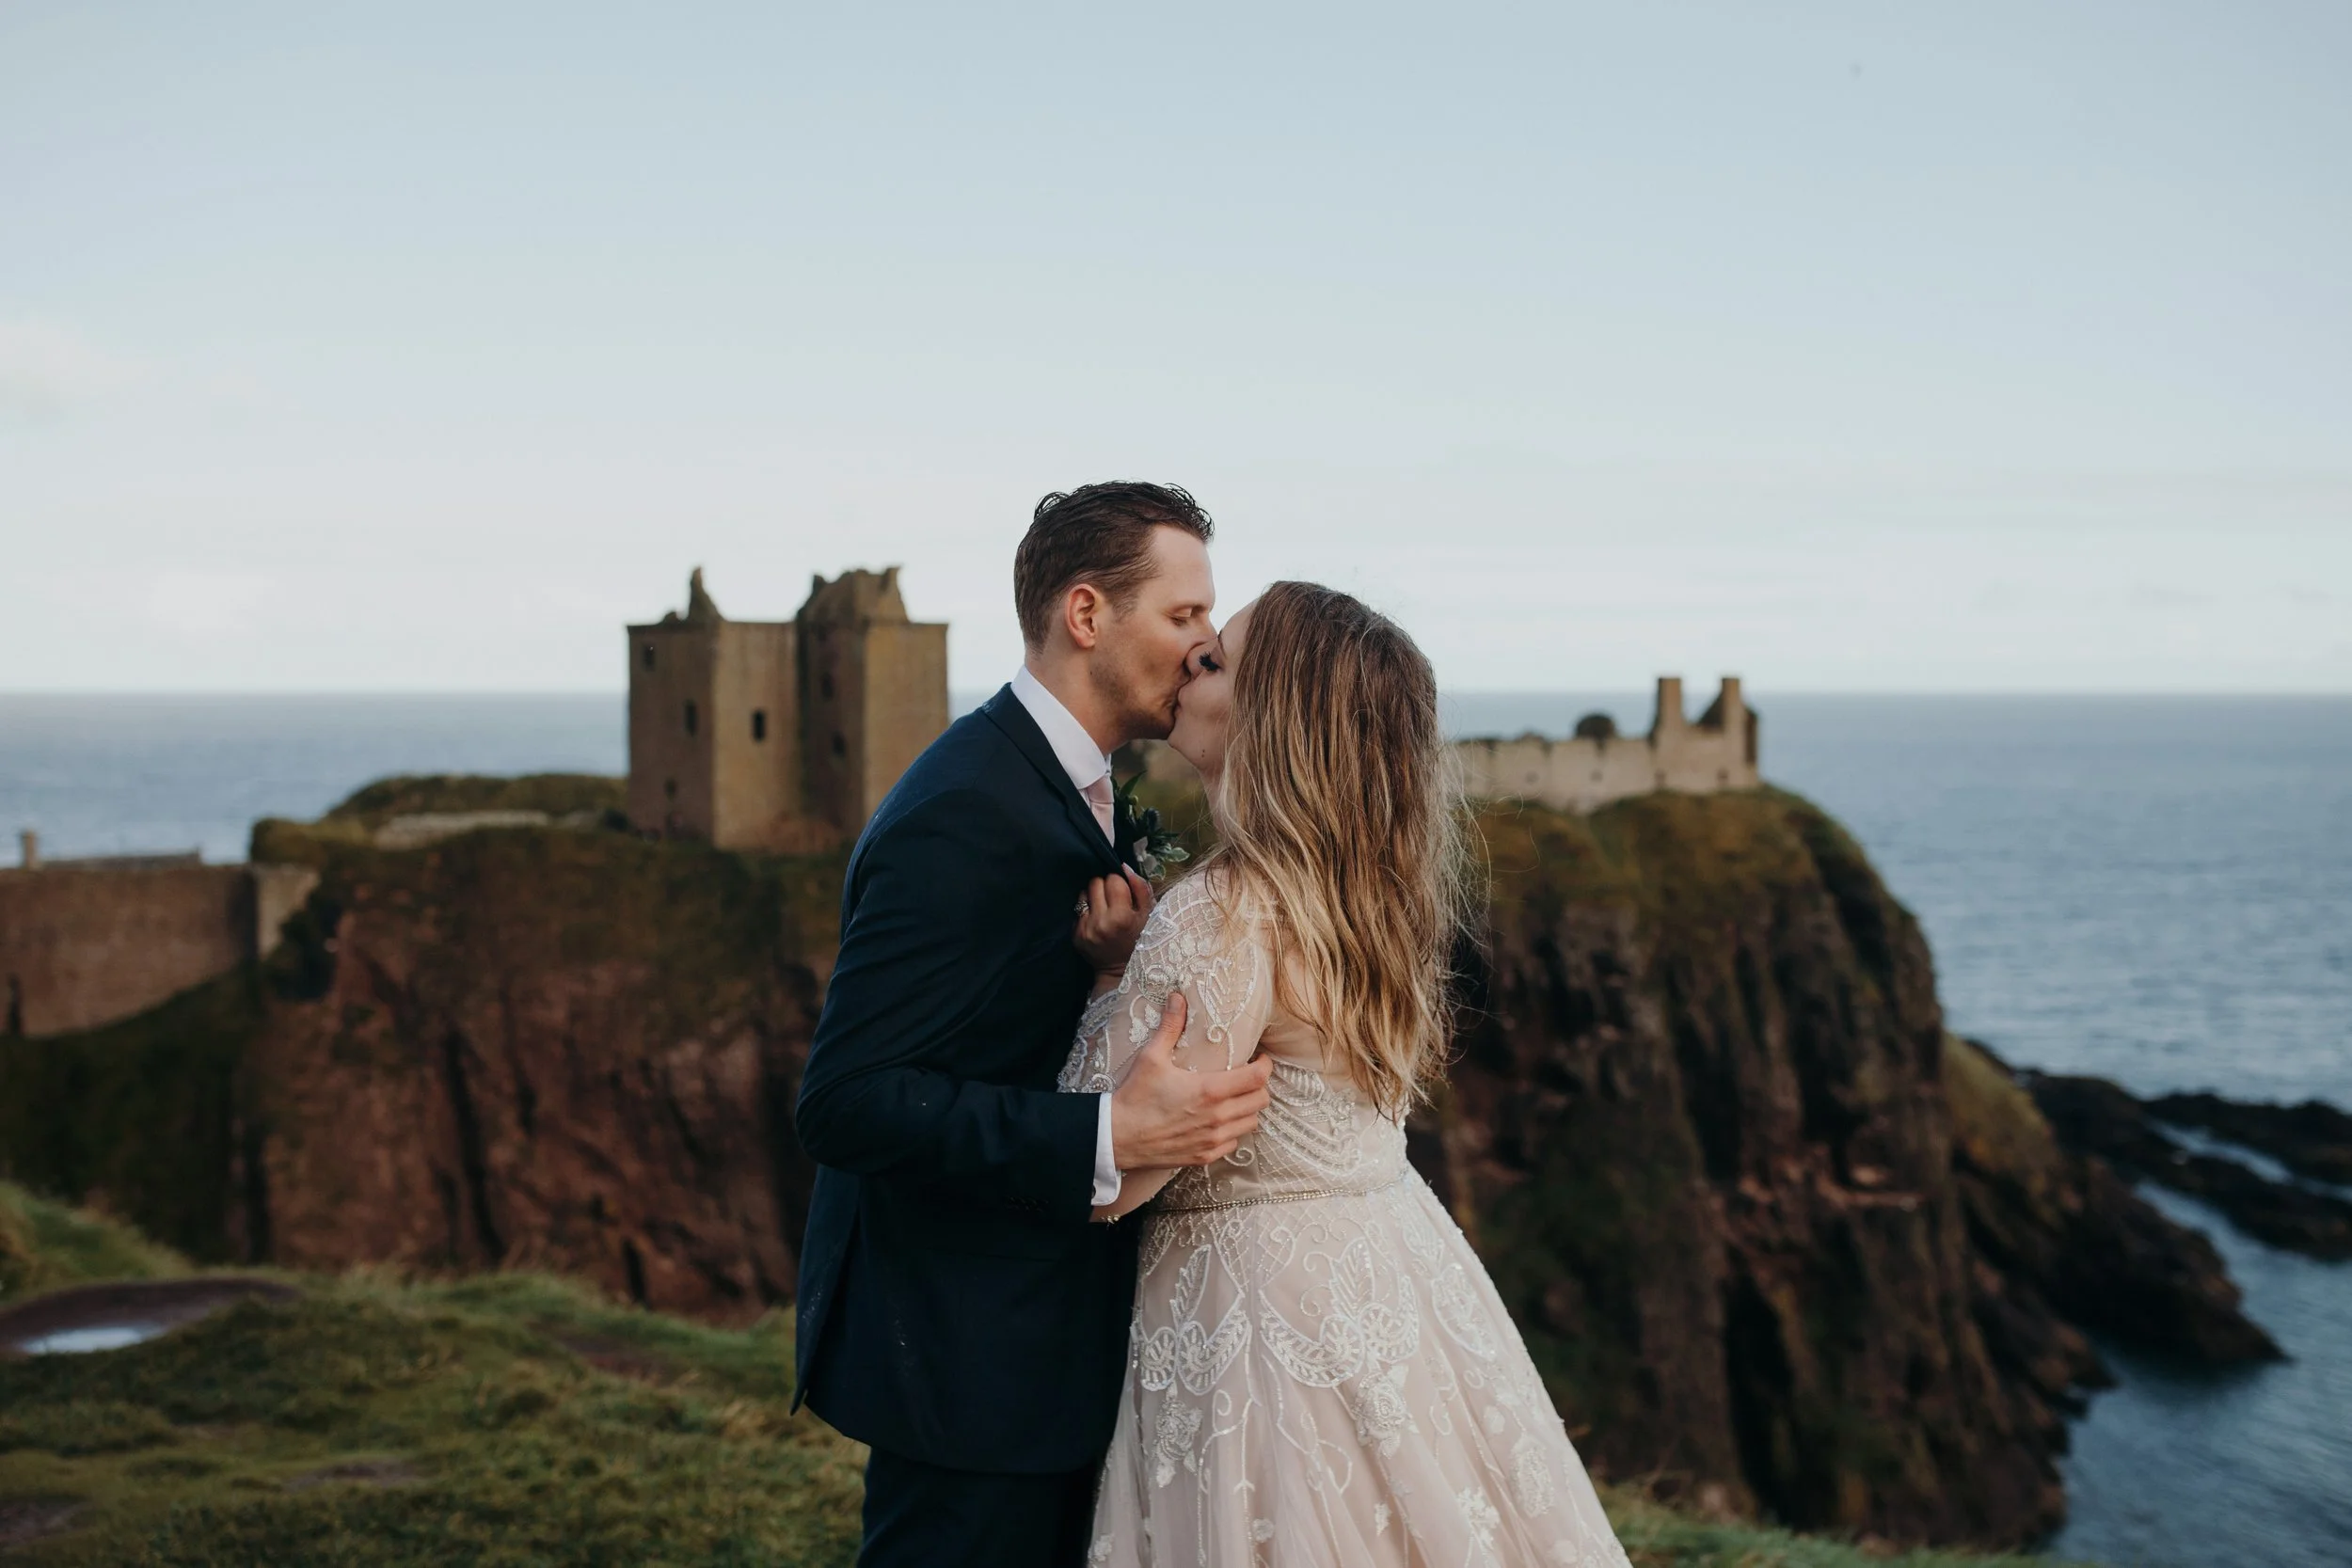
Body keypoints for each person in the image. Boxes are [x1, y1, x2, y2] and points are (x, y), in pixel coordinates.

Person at [1059, 581, 1634, 1567]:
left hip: (1263, 1319)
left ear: (1271, 718)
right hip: (1393, 1273)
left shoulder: (1221, 911)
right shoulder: (1372, 892)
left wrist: (1112, 978)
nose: (1191, 661)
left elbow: (1108, 1170)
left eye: (1217, 660)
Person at [793, 482, 1279, 1568]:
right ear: (1086, 613)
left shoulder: (1062, 782)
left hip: (1041, 1343)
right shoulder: (966, 807)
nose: (1205, 645)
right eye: (1184, 614)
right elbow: (846, 1100)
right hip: (972, 1358)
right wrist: (1108, 1134)